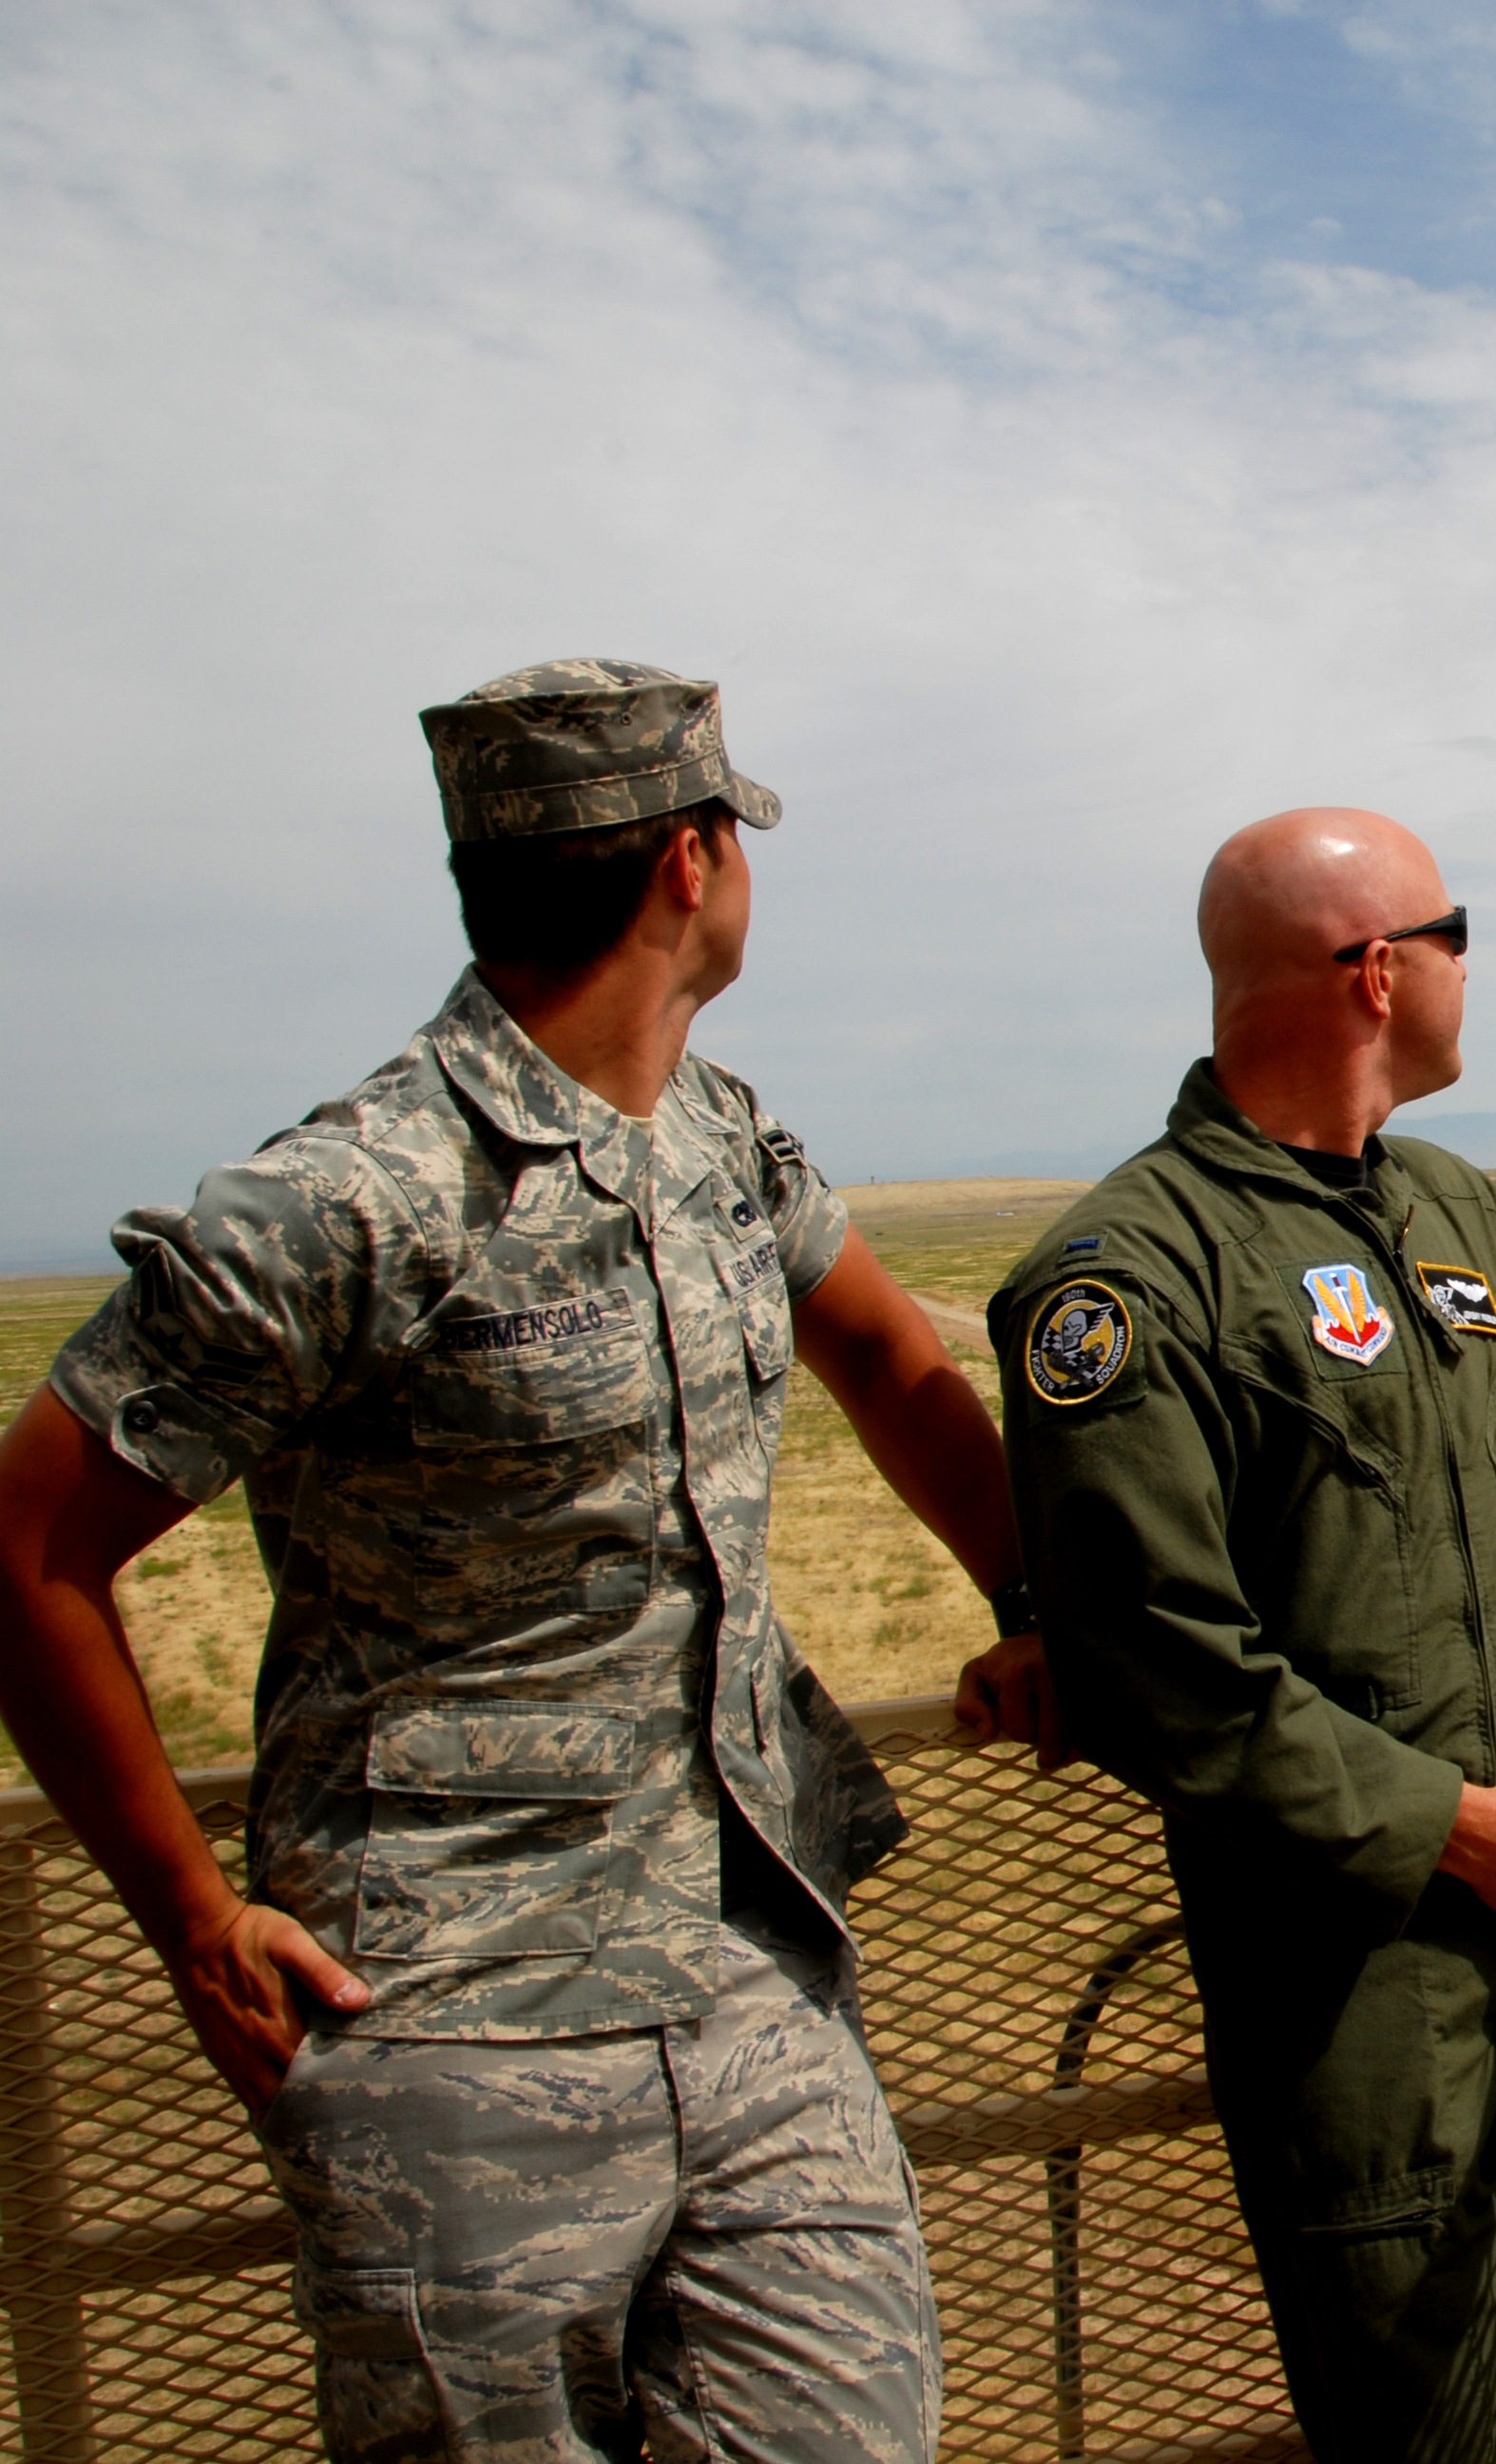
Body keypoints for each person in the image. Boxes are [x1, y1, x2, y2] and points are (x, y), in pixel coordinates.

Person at [0, 660, 1058, 2463]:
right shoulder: (349, 1199)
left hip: (753, 1971)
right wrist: (192, 1917)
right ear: (693, 865)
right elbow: (24, 1548)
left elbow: (886, 1353)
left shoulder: (722, 1141)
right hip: (447, 2031)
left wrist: (1036, 1604)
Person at [988, 807, 1496, 2464]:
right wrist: (1464, 1831)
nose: (1478, 968)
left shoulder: (1463, 1211)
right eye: (1460, 931)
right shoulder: (1128, 1284)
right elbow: (1160, 1666)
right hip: (1364, 1980)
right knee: (1430, 2404)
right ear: (1381, 972)